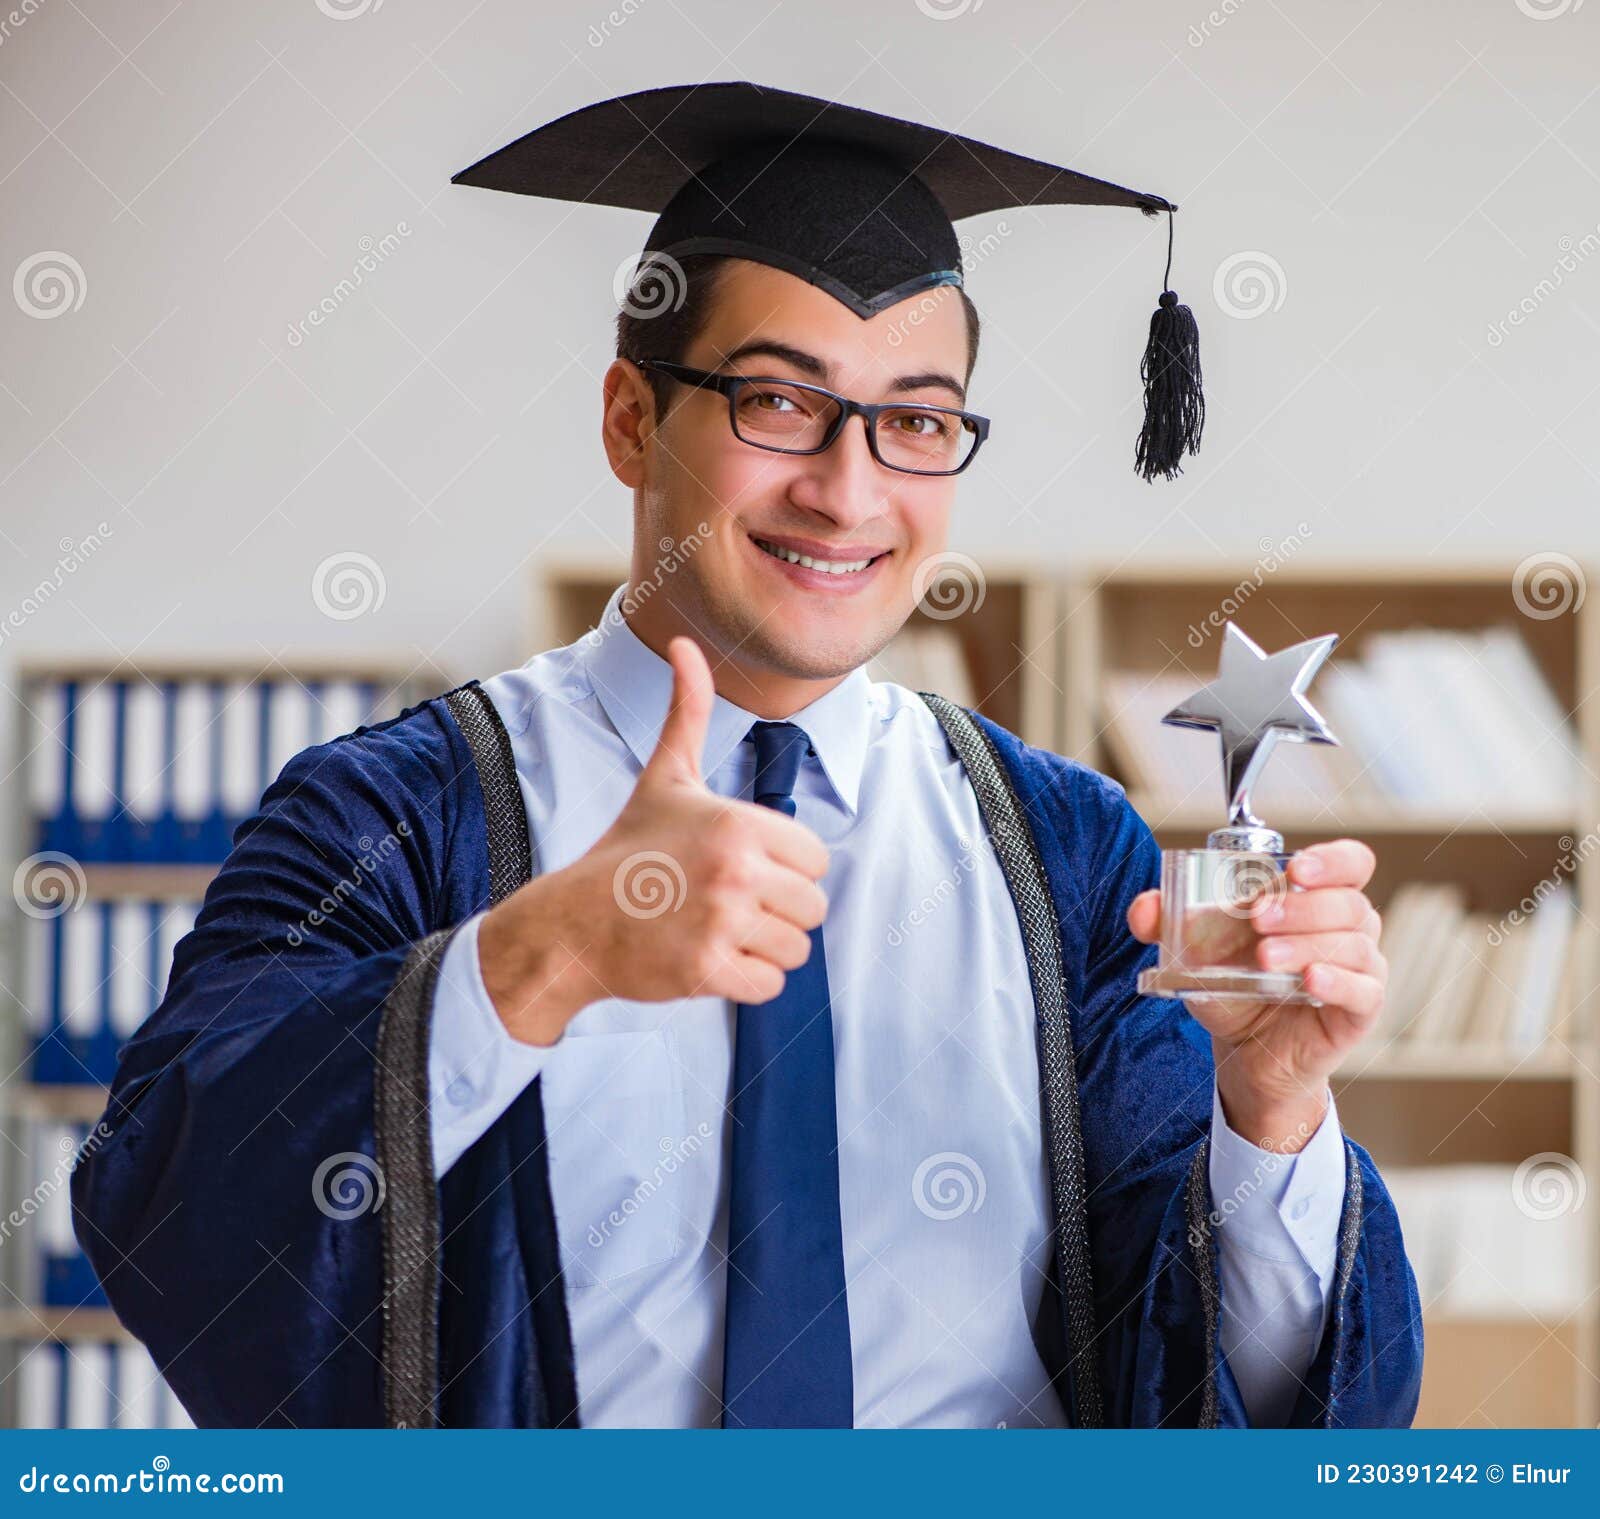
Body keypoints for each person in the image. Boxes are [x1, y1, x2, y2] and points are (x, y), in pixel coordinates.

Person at [73, 82, 1422, 1429]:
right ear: (630, 420)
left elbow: (1223, 1404)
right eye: (778, 401)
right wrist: (543, 956)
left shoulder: (1065, 850)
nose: (847, 491)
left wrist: (1272, 1114)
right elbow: (166, 1210)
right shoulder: (398, 810)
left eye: (917, 421)